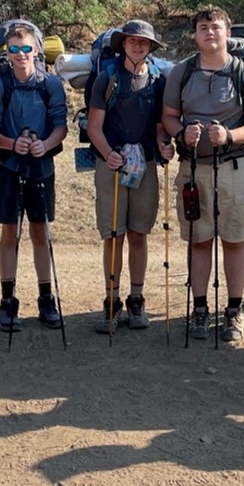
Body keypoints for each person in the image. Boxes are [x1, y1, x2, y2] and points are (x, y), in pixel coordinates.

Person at [161, 6, 244, 344]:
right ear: (195, 34)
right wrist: (181, 135)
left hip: (234, 167)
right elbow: (168, 115)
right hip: (193, 169)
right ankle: (200, 309)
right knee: (198, 240)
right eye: (203, 27)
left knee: (235, 240)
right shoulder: (181, 73)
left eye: (216, 27)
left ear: (228, 33)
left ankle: (234, 311)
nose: (210, 32)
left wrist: (230, 136)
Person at [86, 19, 176, 334]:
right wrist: (109, 153)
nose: (138, 46)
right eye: (132, 41)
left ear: (150, 47)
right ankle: (111, 303)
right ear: (123, 44)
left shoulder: (157, 80)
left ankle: (136, 300)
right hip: (111, 163)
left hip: (145, 164)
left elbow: (160, 125)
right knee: (113, 234)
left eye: (144, 43)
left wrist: (165, 145)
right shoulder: (106, 79)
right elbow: (93, 126)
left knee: (139, 233)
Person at [0, 21, 68, 333]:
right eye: (14, 49)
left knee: (40, 233)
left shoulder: (51, 84)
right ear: (7, 52)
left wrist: (44, 145)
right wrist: (12, 144)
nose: (21, 55)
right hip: (10, 167)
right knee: (10, 234)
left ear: (36, 51)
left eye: (26, 49)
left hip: (42, 167)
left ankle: (46, 298)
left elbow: (61, 126)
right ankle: (8, 301)